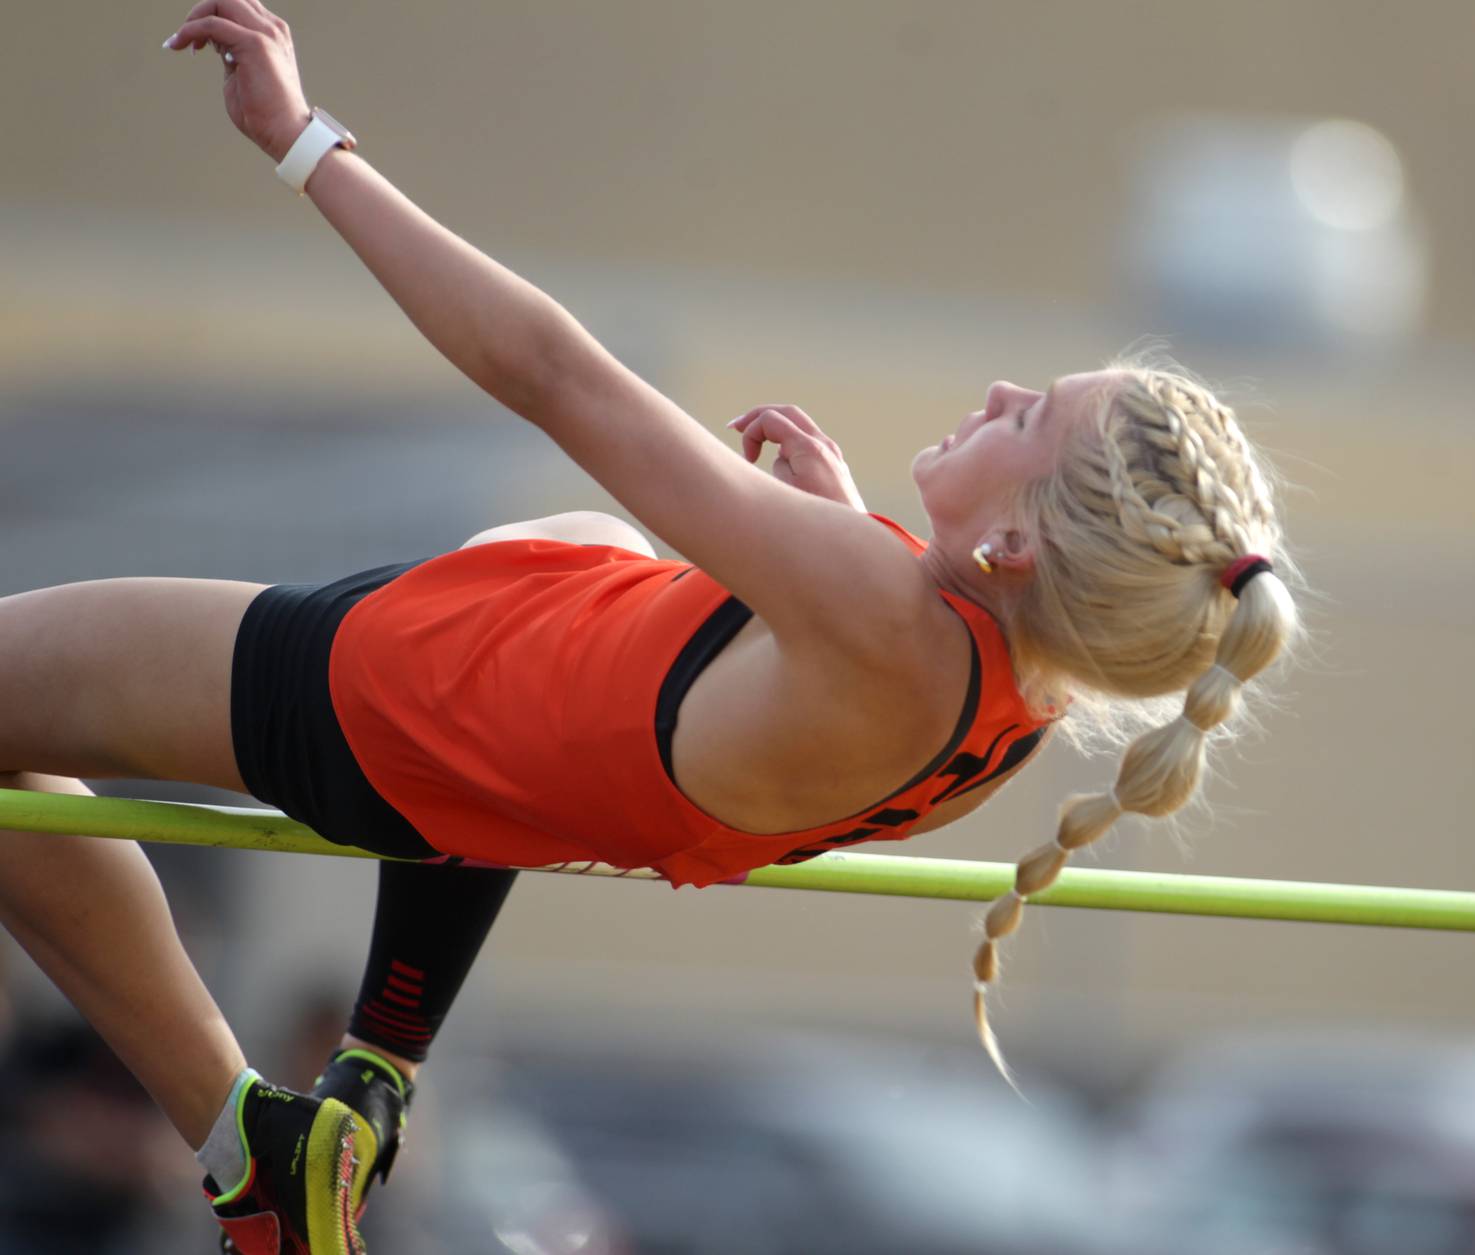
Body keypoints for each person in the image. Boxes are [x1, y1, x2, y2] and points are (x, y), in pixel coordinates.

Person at [0, 0, 1302, 1250]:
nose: (1004, 389)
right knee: (591, 551)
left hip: (387, 700)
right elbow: (826, 704)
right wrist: (833, 541)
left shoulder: (872, 606)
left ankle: (249, 1148)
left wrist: (303, 144)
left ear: (1018, 545)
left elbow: (553, 375)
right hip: (510, 750)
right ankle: (381, 1060)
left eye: (1032, 417)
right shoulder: (1010, 714)